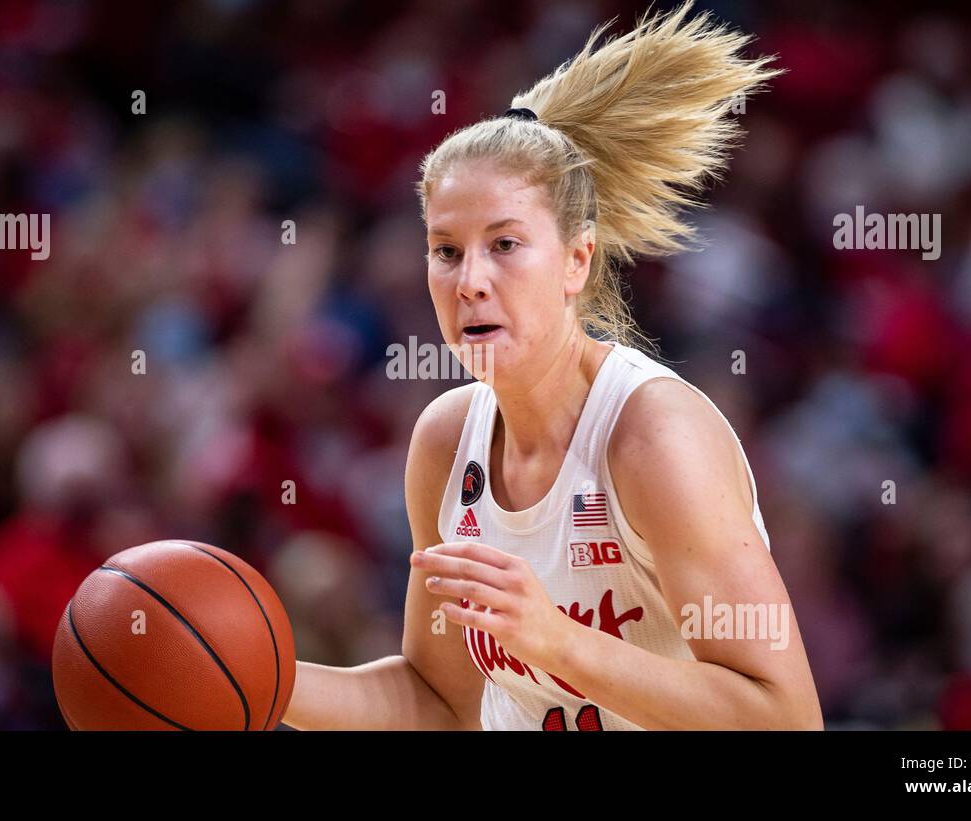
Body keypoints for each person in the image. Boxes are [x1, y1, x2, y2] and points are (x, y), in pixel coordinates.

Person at [283, 2, 822, 730]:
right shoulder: (445, 444)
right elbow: (438, 703)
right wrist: (252, 680)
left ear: (577, 260)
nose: (469, 278)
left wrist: (559, 641)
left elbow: (785, 716)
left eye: (505, 244)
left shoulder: (652, 438)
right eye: (446, 249)